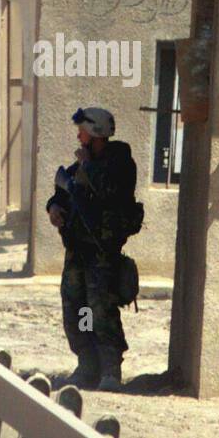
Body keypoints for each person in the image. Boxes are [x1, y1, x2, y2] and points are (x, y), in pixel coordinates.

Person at [45, 106, 137, 391]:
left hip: (102, 252)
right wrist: (54, 208)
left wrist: (88, 168)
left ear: (95, 132)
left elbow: (110, 192)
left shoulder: (120, 164)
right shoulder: (79, 167)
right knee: (76, 307)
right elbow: (60, 194)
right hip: (77, 251)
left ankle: (110, 369)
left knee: (101, 308)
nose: (78, 135)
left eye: (83, 130)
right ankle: (87, 364)